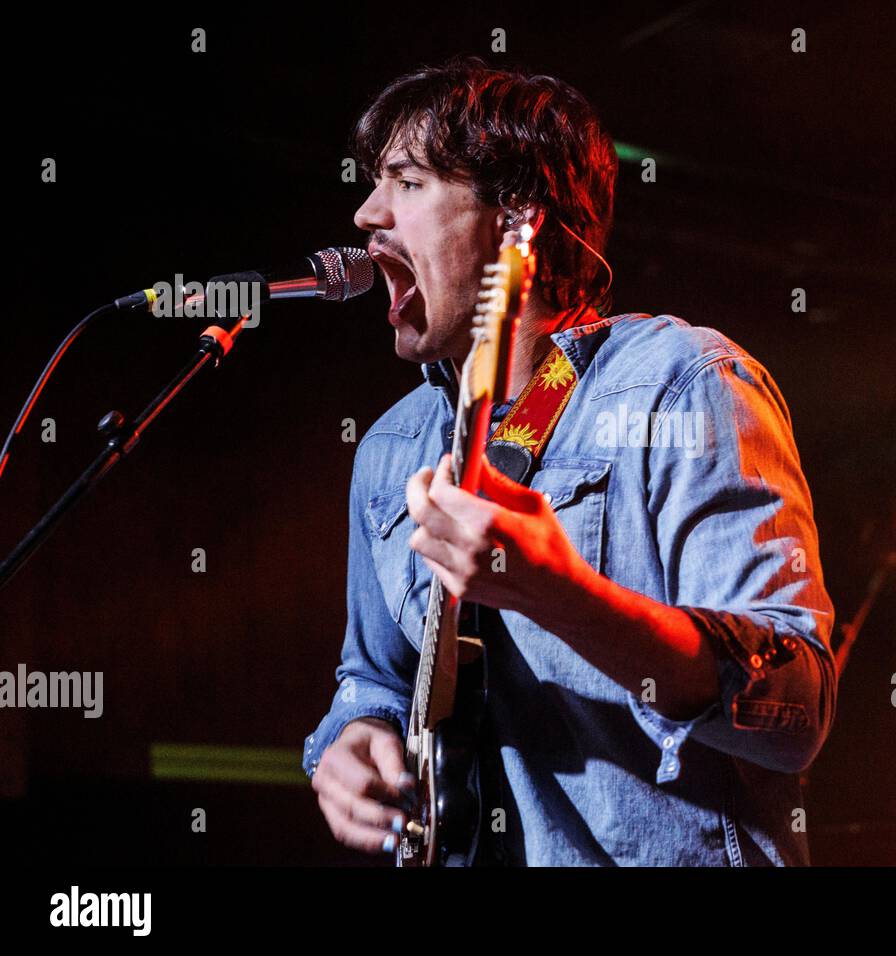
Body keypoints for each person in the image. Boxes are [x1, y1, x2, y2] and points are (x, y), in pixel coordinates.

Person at [303, 56, 838, 866]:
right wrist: (351, 740)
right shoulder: (390, 447)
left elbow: (796, 707)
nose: (366, 211)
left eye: (407, 183)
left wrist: (563, 594)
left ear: (517, 215)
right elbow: (370, 677)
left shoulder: (682, 385)